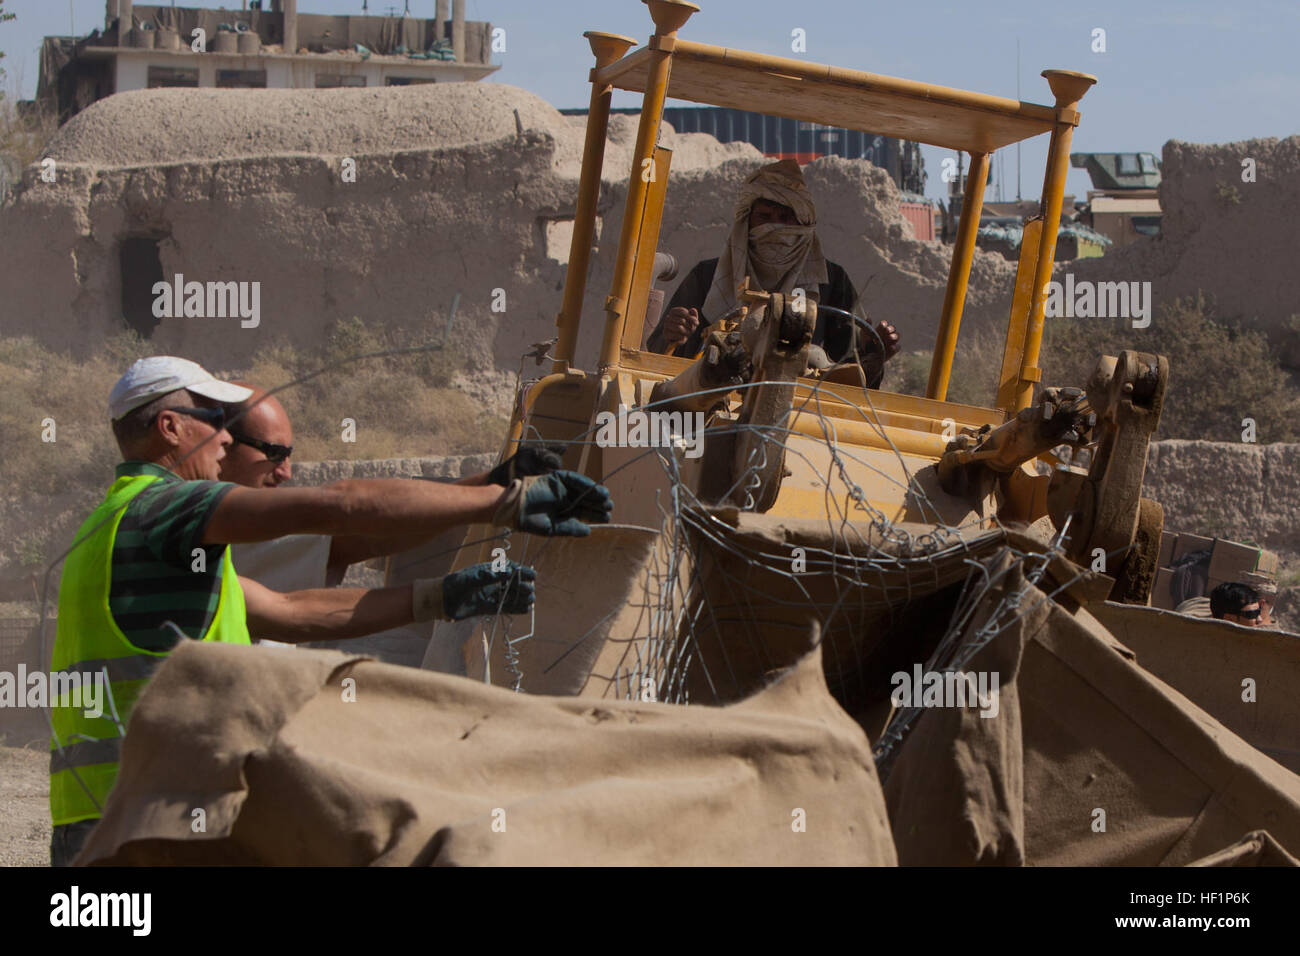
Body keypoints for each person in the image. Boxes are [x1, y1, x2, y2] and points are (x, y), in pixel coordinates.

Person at [49, 356, 611, 865]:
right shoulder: (168, 506)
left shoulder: (114, 524)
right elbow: (340, 506)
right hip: (160, 816)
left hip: (100, 816)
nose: (223, 438)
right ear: (170, 428)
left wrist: (444, 596)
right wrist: (503, 501)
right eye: (212, 420)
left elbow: (290, 610)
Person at [219, 384, 566, 663]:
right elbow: (350, 520)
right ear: (218, 444)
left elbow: (354, 546)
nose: (286, 472)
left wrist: (489, 487)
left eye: (289, 455)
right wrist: (493, 497)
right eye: (273, 453)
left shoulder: (231, 535)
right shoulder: (202, 528)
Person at [646, 159, 901, 387]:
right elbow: (659, 369)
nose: (774, 228)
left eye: (784, 218)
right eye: (765, 217)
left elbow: (852, 381)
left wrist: (874, 355)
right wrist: (673, 338)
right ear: (747, 223)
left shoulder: (831, 283)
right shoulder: (708, 277)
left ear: (802, 224)